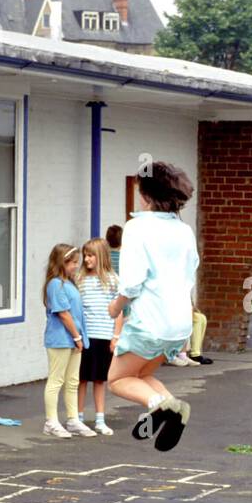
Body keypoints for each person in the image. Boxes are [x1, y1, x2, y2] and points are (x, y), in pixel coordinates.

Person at [106, 162, 198, 452]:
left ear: (145, 195)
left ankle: (159, 405)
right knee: (141, 376)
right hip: (179, 325)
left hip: (150, 322)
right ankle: (173, 407)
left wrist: (115, 308)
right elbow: (190, 272)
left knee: (118, 379)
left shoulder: (136, 228)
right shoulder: (184, 230)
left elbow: (132, 283)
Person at [41, 244, 89, 439]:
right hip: (61, 339)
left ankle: (73, 419)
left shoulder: (68, 283)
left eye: (77, 262)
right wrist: (77, 337)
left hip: (73, 339)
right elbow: (64, 314)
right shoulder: (55, 284)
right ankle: (51, 421)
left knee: (72, 381)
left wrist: (78, 338)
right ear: (62, 263)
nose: (76, 266)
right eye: (73, 263)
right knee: (56, 380)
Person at [76, 239, 119, 436]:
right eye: (85, 255)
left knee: (100, 380)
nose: (86, 259)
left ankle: (100, 419)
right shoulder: (80, 279)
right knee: (81, 379)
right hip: (85, 336)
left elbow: (119, 311)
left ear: (100, 256)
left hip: (104, 335)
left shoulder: (112, 280)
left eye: (90, 255)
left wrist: (115, 336)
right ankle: (77, 418)